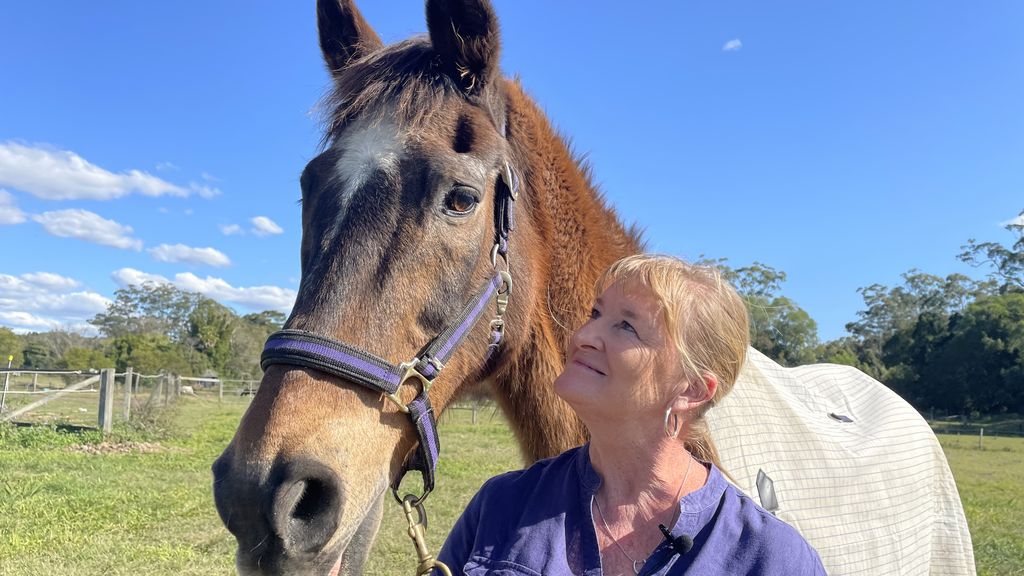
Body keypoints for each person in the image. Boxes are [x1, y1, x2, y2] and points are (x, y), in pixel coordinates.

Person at [437, 254, 826, 575]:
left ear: (691, 390)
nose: (582, 337)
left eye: (626, 326)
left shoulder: (774, 558)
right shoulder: (501, 505)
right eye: (595, 314)